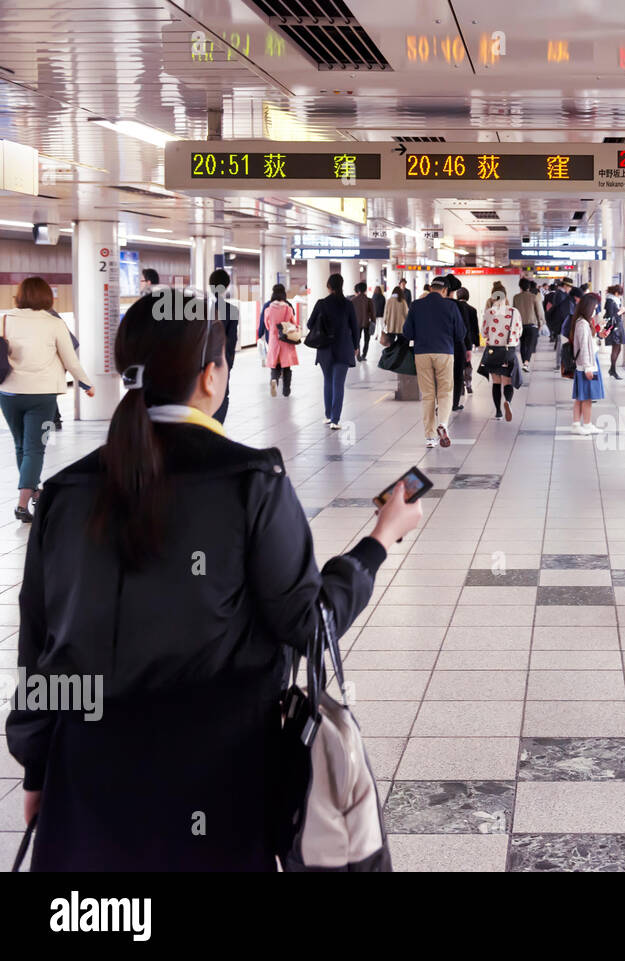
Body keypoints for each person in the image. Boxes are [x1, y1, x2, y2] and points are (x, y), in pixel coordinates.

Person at [5, 289, 422, 870]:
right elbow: (307, 624)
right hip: (220, 782)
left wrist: (37, 766)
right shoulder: (251, 482)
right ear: (210, 375)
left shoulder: (68, 493)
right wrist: (379, 542)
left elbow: (41, 646)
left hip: (89, 777)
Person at [0, 277, 95, 522]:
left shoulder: (5, 319)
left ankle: (33, 490)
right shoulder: (53, 323)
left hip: (9, 394)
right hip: (42, 397)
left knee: (21, 445)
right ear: (47, 297)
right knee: (35, 448)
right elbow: (70, 360)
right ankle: (23, 504)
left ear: (19, 296)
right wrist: (85, 383)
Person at [404, 278, 466, 448]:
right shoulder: (451, 306)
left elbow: (407, 332)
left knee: (428, 395)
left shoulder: (416, 305)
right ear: (445, 290)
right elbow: (460, 333)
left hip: (422, 353)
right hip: (445, 352)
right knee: (445, 392)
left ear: (431, 288)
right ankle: (443, 424)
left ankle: (430, 437)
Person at [306, 272, 360, 430]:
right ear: (341, 286)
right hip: (343, 348)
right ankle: (335, 420)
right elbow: (354, 327)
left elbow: (310, 324)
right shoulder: (348, 304)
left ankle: (328, 415)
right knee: (339, 384)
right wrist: (356, 345)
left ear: (328, 286)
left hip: (325, 349)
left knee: (328, 381)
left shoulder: (321, 303)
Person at [481, 288, 522, 420]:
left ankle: (498, 412)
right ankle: (508, 402)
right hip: (508, 351)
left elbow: (484, 333)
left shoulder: (489, 312)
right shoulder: (514, 312)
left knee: (496, 381)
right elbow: (519, 331)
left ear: (493, 298)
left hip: (493, 351)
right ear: (505, 297)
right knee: (507, 381)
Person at [570, 292, 605, 434]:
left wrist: (599, 337)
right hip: (587, 363)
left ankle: (577, 424)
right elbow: (584, 347)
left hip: (585, 363)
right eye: (594, 307)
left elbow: (589, 345)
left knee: (581, 396)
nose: (595, 310)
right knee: (587, 397)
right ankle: (587, 424)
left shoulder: (581, 323)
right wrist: (587, 368)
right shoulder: (583, 324)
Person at [208, 269, 240, 424]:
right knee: (222, 395)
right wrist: (228, 363)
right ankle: (216, 428)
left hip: (199, 361)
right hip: (221, 361)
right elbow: (232, 340)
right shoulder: (231, 310)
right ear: (227, 286)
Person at [259, 284, 298, 397]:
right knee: (286, 365)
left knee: (275, 364)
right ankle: (286, 389)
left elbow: (266, 325)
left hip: (273, 340)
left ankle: (274, 379)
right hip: (286, 340)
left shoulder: (268, 308)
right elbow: (293, 324)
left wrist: (264, 333)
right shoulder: (288, 308)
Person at [514, 276, 542, 371]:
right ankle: (526, 363)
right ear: (529, 287)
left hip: (520, 325)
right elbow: (538, 311)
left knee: (523, 344)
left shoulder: (516, 297)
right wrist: (540, 323)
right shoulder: (533, 297)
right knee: (530, 345)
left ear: (520, 287)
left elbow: (514, 312)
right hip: (532, 325)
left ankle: (524, 363)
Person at [604, 285, 625, 379]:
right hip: (614, 327)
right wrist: (620, 312)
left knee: (618, 348)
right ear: (616, 293)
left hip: (618, 325)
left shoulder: (614, 300)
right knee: (616, 348)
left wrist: (620, 312)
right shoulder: (610, 301)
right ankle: (612, 370)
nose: (620, 296)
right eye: (620, 294)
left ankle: (612, 369)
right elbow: (610, 315)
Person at [351, 281, 376, 362]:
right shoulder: (369, 300)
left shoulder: (353, 300)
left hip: (356, 324)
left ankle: (358, 355)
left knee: (357, 340)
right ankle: (364, 355)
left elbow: (351, 314)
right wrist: (373, 322)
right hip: (367, 323)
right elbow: (373, 313)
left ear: (358, 290)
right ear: (365, 290)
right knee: (366, 340)